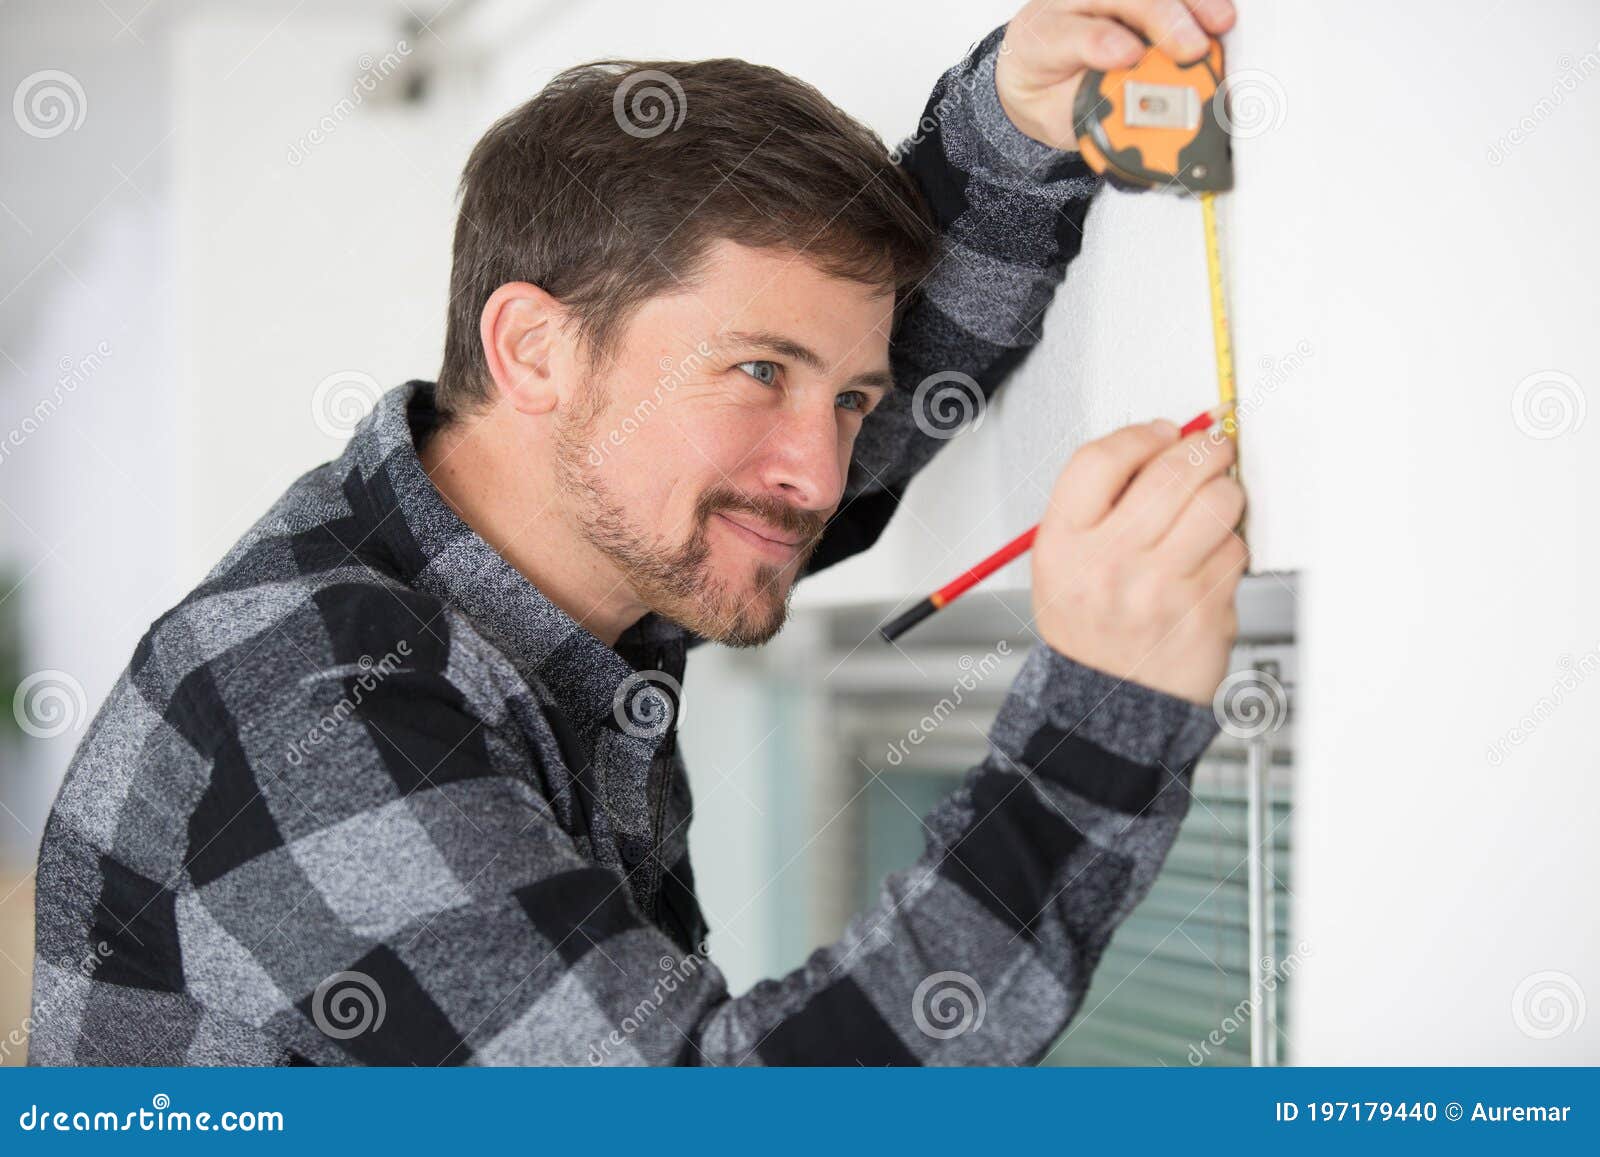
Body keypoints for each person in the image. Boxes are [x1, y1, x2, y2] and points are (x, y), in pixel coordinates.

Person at [28, 0, 1245, 1065]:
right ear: (535, 349)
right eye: (759, 371)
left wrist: (1013, 130)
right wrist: (1100, 717)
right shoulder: (315, 712)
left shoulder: (568, 551)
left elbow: (853, 395)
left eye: (849, 400)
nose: (819, 472)